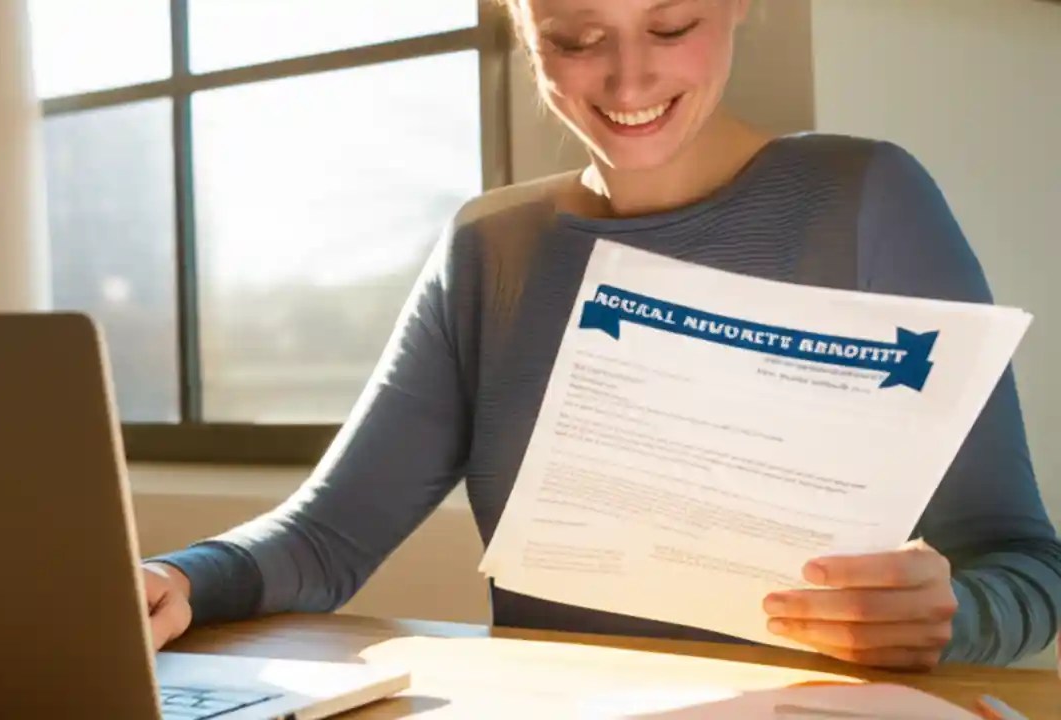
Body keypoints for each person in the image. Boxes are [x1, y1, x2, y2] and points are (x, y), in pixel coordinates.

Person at [141, 0, 1061, 669]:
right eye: (577, 38)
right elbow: (327, 538)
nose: (629, 80)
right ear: (521, 27)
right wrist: (174, 581)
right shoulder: (489, 251)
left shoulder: (868, 200)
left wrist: (959, 614)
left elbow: (1026, 563)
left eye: (671, 26)